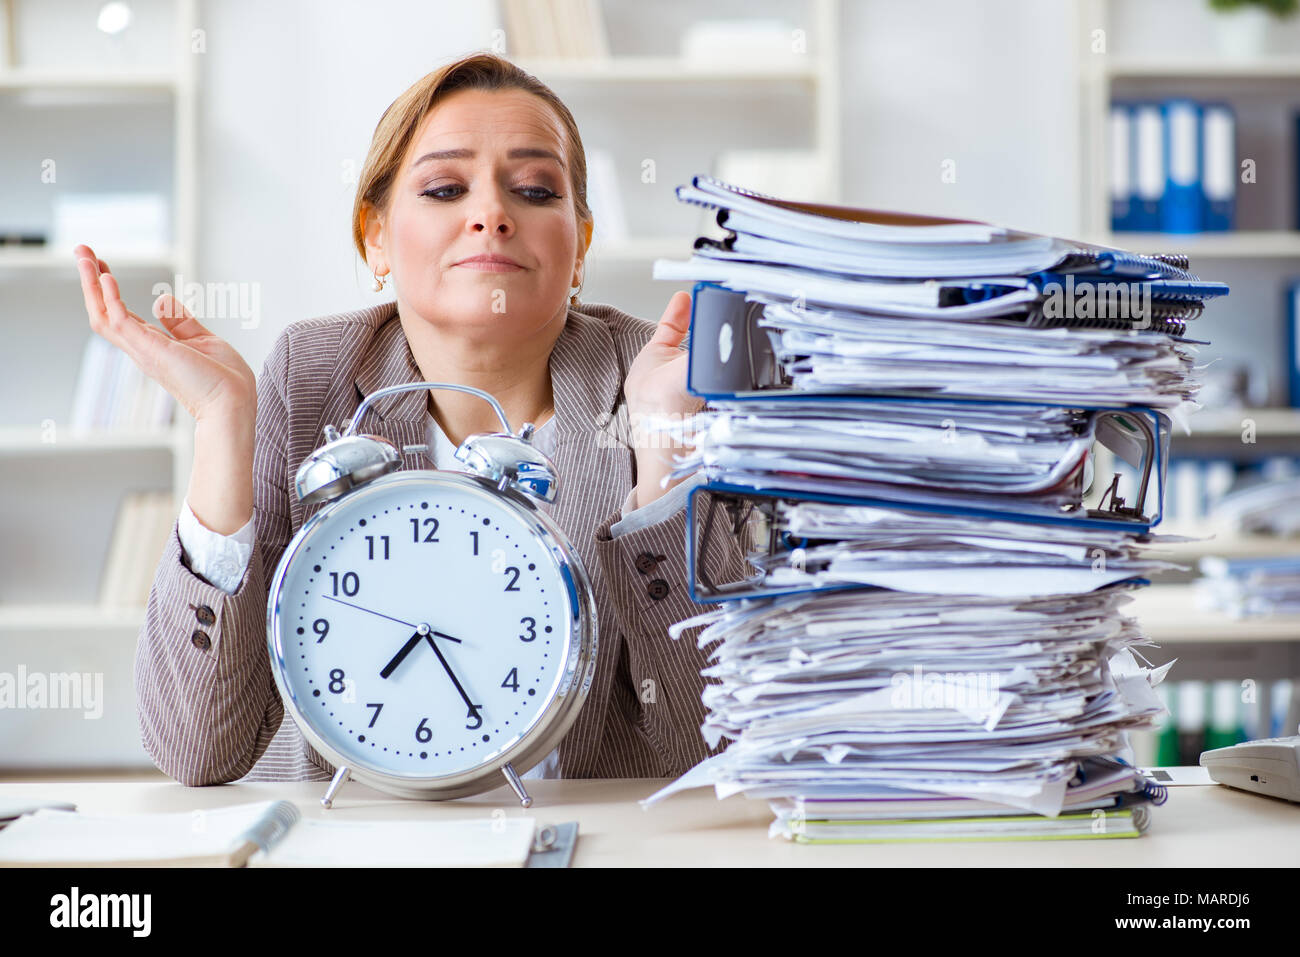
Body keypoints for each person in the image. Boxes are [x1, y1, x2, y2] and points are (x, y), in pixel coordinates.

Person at [74, 51, 750, 786]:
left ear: (580, 242)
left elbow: (718, 752)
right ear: (376, 237)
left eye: (532, 188)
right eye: (444, 187)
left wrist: (663, 458)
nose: (490, 213)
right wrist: (221, 422)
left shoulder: (659, 383)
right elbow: (196, 749)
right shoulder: (309, 373)